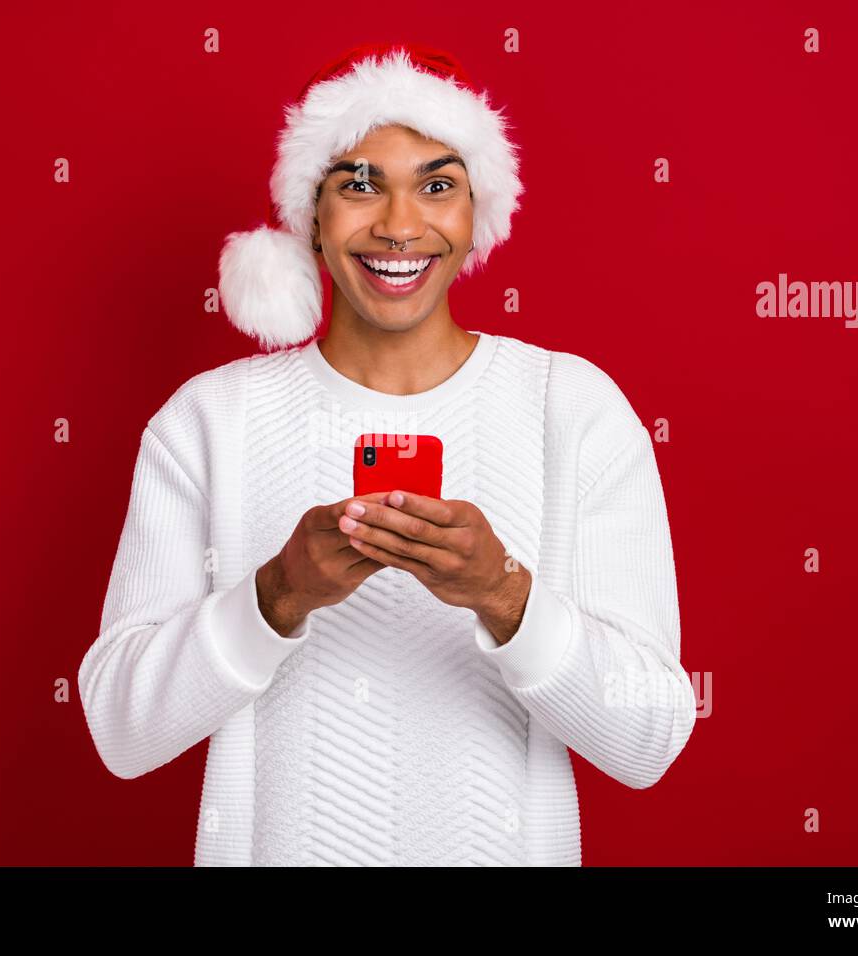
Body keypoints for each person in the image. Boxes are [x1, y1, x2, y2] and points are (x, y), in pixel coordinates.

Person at [77, 42, 697, 866]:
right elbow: (121, 730)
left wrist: (502, 596)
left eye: (437, 185)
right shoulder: (210, 421)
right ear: (311, 215)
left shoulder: (570, 410)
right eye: (358, 185)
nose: (400, 225)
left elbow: (646, 735)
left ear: (477, 212)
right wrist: (277, 596)